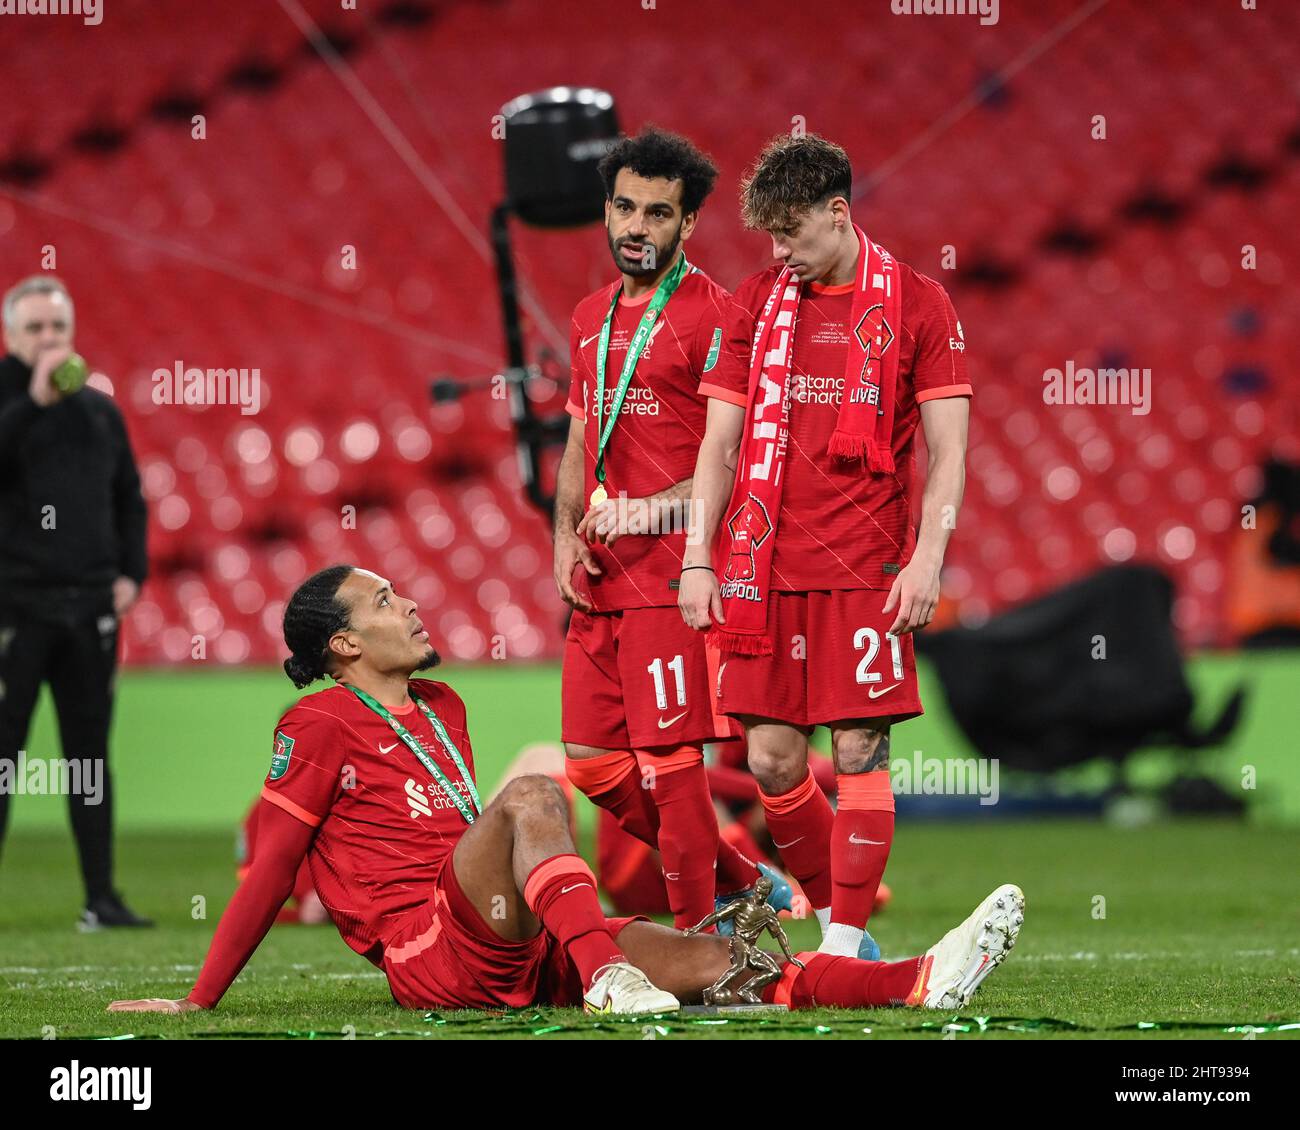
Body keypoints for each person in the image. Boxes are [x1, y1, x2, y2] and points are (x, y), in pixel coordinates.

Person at [108, 566, 1024, 1016]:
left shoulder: (443, 704)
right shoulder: (313, 725)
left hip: (516, 930)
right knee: (536, 791)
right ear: (343, 645)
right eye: (384, 602)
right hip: (429, 949)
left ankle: (917, 981)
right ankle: (607, 975)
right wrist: (199, 1001)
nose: (411, 605)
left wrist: (741, 869)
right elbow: (269, 870)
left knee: (728, 968)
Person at [678, 135, 973, 960]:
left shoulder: (919, 303)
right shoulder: (755, 302)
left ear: (838, 215)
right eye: (770, 238)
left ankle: (841, 940)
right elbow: (719, 448)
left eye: (792, 235)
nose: (779, 254)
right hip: (761, 563)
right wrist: (698, 555)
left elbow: (949, 451)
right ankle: (842, 916)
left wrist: (928, 560)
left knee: (857, 748)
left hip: (867, 563)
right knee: (772, 762)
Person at [554, 127, 779, 930]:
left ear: (687, 226)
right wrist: (563, 535)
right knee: (589, 761)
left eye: (657, 213)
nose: (636, 227)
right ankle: (745, 879)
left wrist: (652, 512)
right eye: (623, 207)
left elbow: (737, 463)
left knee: (671, 767)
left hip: (674, 576)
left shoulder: (717, 317)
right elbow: (582, 437)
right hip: (604, 574)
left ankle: (700, 941)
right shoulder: (589, 317)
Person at [0, 275, 150, 930]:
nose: (47, 340)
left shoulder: (99, 411)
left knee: (89, 758)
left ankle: (102, 898)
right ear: (10, 336)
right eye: (34, 328)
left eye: (56, 328)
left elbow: (129, 498)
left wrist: (132, 574)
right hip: (14, 611)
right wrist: (30, 405)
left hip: (89, 609)